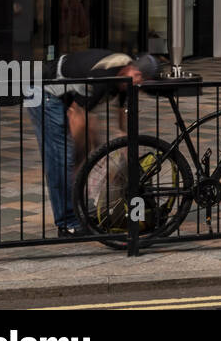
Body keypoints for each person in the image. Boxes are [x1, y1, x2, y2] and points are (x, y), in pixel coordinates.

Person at [29, 49, 160, 237]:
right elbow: (77, 116)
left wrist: (126, 145)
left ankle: (77, 208)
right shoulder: (104, 75)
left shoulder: (126, 77)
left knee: (84, 152)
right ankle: (68, 224)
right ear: (134, 72)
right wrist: (85, 157)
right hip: (44, 92)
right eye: (141, 80)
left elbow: (124, 115)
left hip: (66, 97)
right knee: (62, 159)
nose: (140, 85)